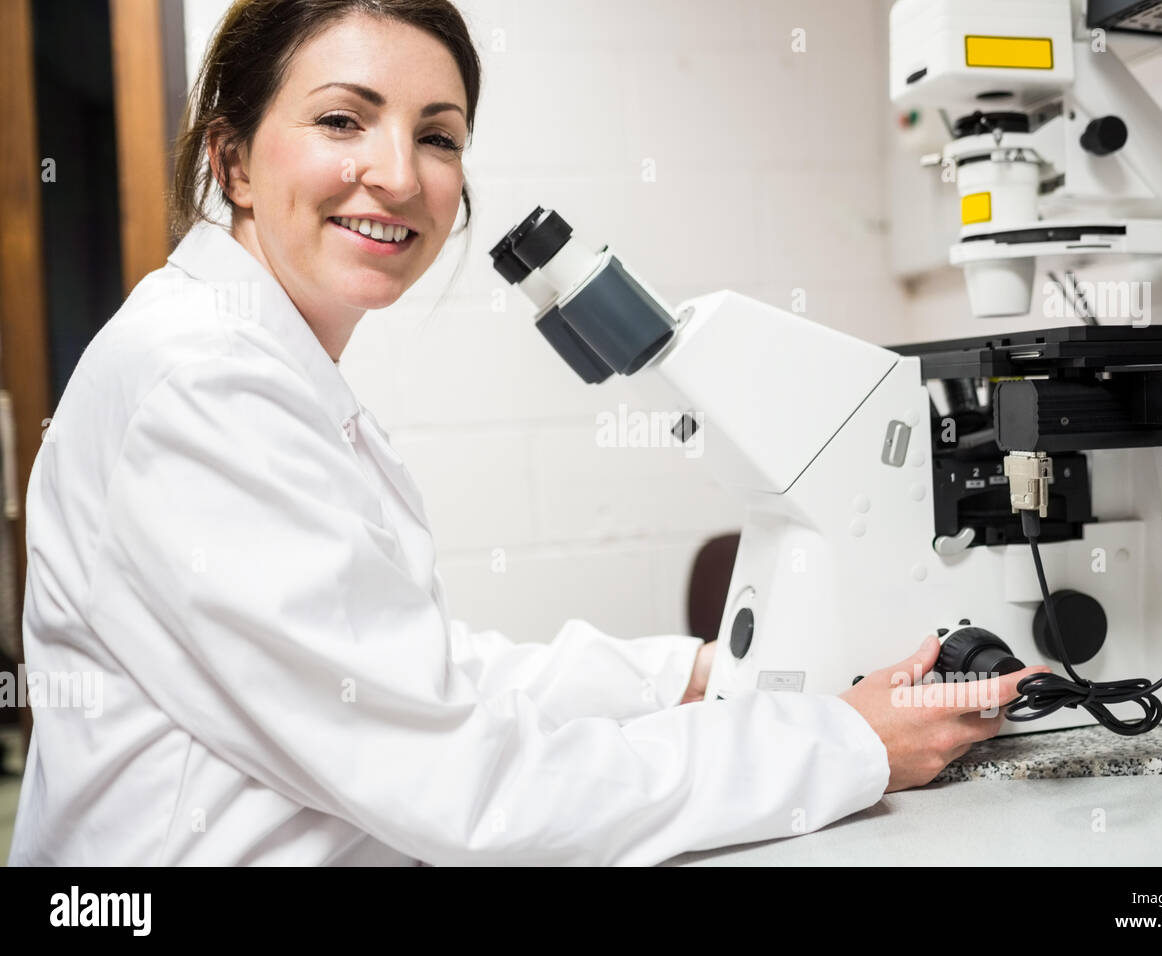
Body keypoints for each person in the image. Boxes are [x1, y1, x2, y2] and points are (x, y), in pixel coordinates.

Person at [8, 0, 1045, 866]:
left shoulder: (243, 355)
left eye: (437, 134)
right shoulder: (202, 383)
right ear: (232, 159)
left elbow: (406, 675)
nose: (399, 175)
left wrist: (676, 674)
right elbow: (464, 788)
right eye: (342, 120)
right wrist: (844, 743)